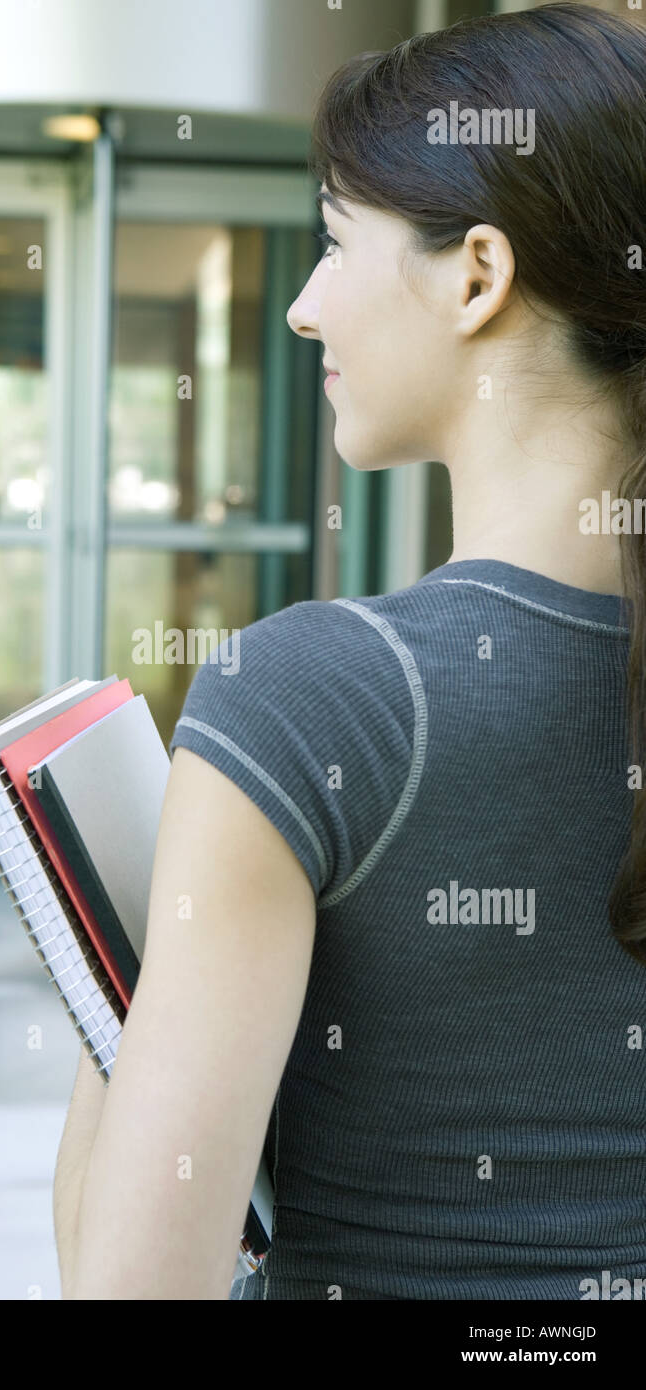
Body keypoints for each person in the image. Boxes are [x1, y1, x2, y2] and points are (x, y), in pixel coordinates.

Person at [53, 3, 646, 1300]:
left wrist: (124, 969)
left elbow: (128, 1287)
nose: (306, 311)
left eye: (335, 244)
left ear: (478, 275)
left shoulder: (315, 701)